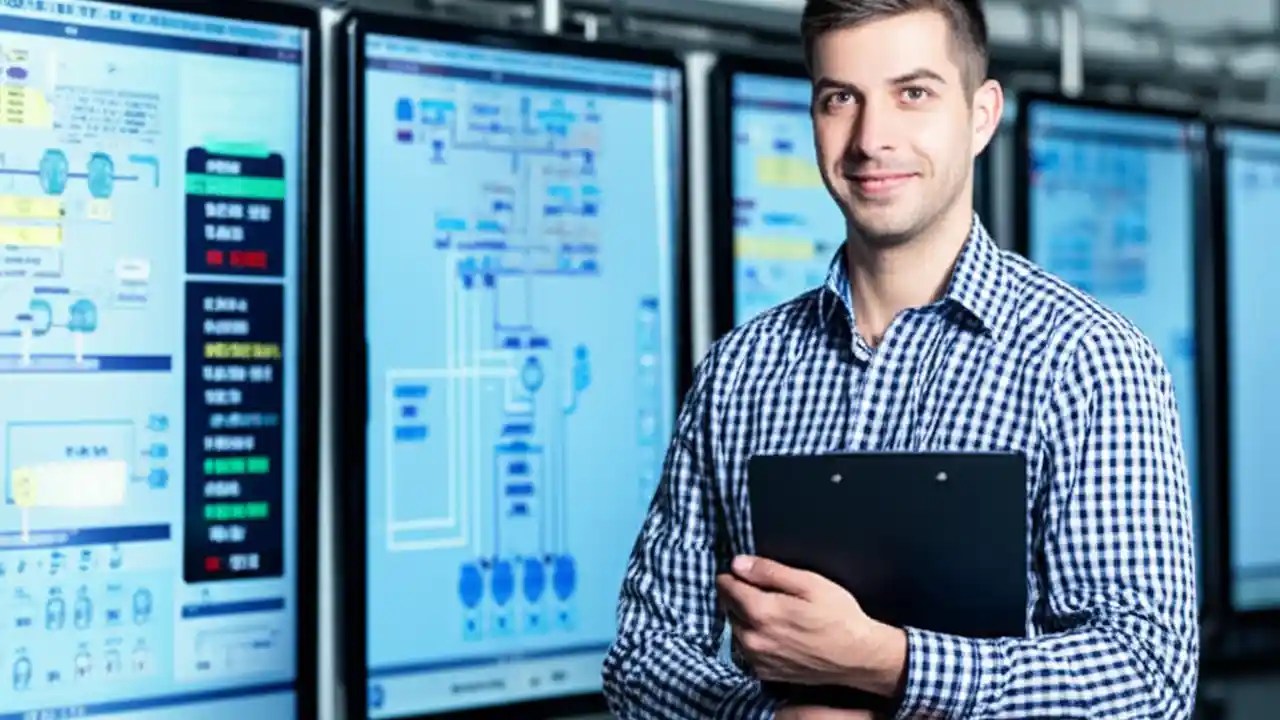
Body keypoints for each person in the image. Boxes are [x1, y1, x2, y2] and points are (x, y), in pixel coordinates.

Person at [601, 0, 1199, 717]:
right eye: (840, 99)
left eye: (912, 94)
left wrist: (888, 663)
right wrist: (771, 716)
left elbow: (1148, 676)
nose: (870, 139)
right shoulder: (739, 372)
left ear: (981, 116)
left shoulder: (1089, 362)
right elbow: (641, 654)